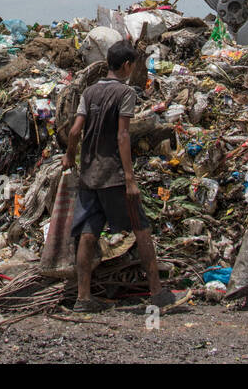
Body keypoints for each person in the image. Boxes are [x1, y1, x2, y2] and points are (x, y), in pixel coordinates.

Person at [62, 40, 174, 312]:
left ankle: (83, 298)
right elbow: (123, 135)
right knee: (141, 229)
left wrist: (69, 155)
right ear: (126, 65)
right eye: (133, 64)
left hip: (89, 175)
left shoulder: (89, 92)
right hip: (113, 175)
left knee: (88, 234)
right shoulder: (125, 93)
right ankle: (157, 293)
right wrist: (130, 178)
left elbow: (75, 130)